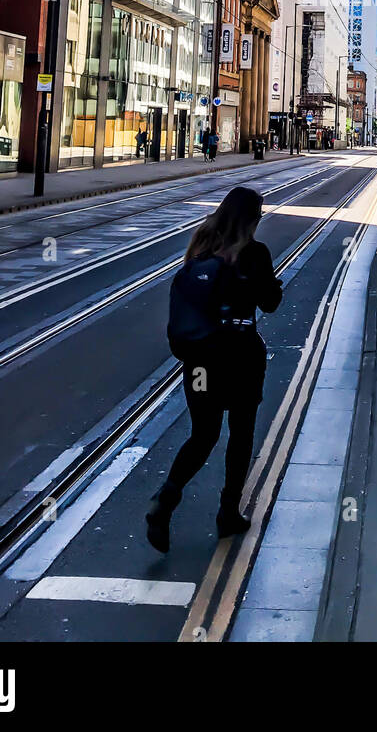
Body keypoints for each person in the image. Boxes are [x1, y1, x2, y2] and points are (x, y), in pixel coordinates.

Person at [146, 186, 282, 551]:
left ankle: (166, 498)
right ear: (252, 218)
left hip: (201, 363)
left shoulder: (201, 245)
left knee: (202, 435)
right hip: (240, 358)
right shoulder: (254, 253)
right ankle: (227, 512)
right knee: (240, 435)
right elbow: (269, 304)